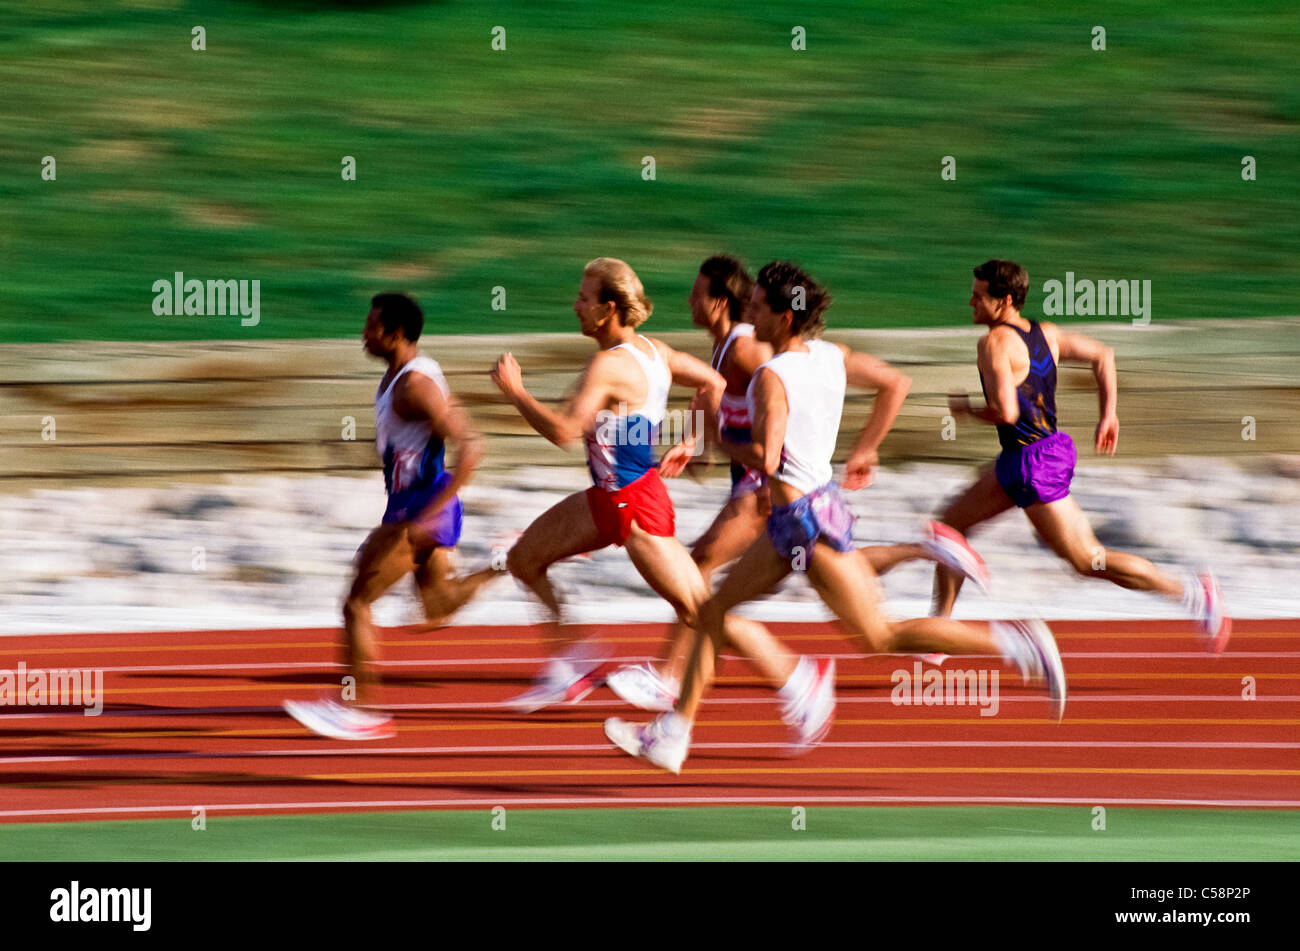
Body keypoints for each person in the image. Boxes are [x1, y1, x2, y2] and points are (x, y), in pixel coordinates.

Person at [606, 261, 1066, 773]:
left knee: (879, 637)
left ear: (784, 317)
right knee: (712, 611)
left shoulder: (770, 377)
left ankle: (1016, 641)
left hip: (802, 519)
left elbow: (765, 455)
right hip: (802, 515)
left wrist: (717, 430)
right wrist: (864, 448)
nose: (749, 314)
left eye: (757, 306)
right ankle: (672, 734)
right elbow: (892, 384)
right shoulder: (829, 355)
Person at [491, 257, 805, 712]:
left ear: (609, 309)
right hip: (606, 498)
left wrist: (517, 392)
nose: (574, 304)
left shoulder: (608, 366)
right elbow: (713, 381)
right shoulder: (655, 351)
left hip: (635, 509)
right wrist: (693, 439)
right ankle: (573, 663)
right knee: (523, 559)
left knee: (699, 609)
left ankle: (796, 680)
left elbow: (563, 431)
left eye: (584, 298)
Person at [933, 260, 1229, 650]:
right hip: (1026, 457)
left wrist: (967, 412)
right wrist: (1109, 414)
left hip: (1032, 466)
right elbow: (1103, 355)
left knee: (1089, 560)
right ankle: (936, 633)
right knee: (950, 529)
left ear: (1004, 301)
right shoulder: (1047, 334)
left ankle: (1193, 594)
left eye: (978, 295)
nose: (970, 300)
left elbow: (1006, 412)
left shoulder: (992, 344)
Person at [285, 293, 499, 740]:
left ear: (395, 333)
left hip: (420, 510)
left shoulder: (414, 385)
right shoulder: (405, 377)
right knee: (437, 604)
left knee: (357, 602)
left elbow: (472, 446)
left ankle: (359, 708)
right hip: (411, 505)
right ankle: (506, 561)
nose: (363, 333)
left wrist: (425, 515)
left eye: (371, 325)